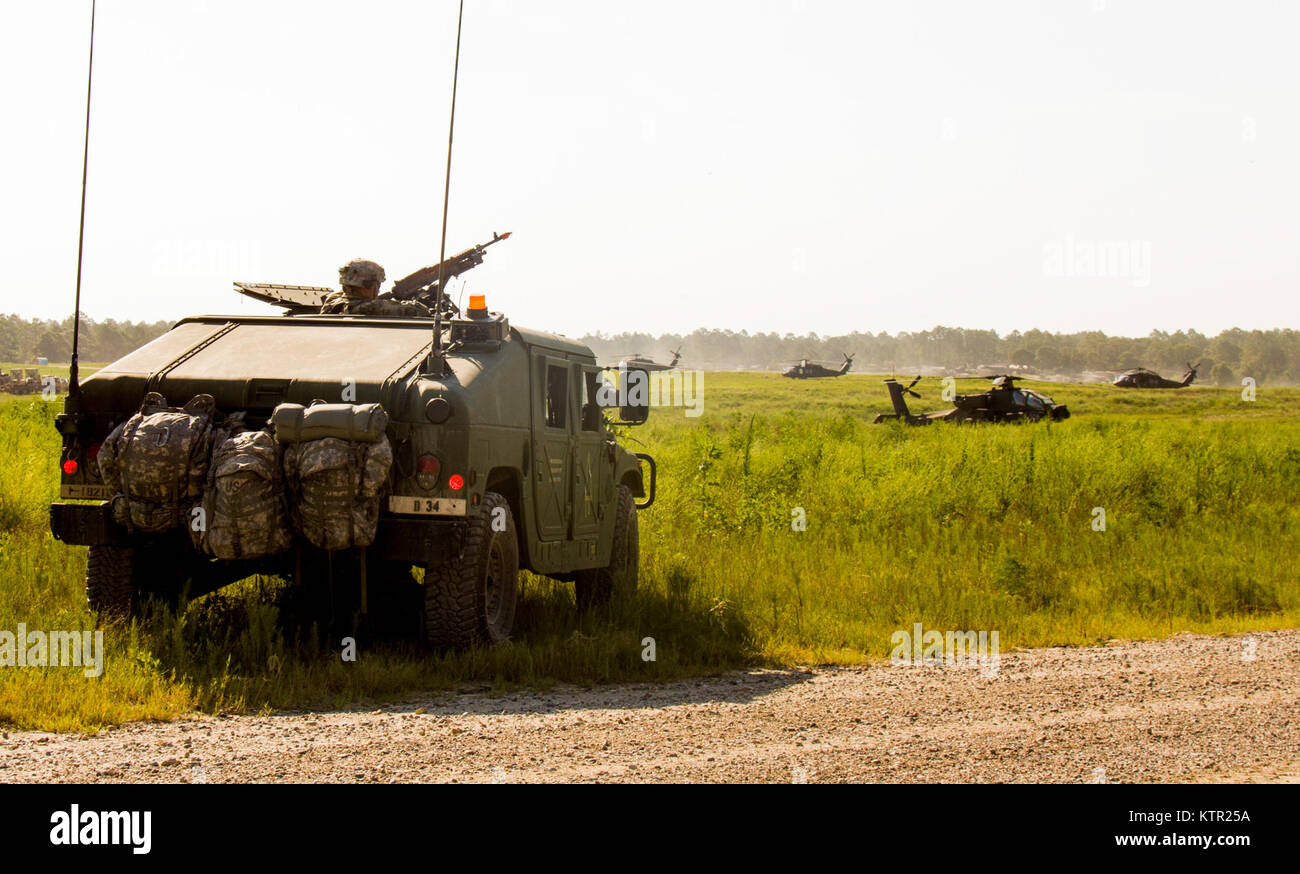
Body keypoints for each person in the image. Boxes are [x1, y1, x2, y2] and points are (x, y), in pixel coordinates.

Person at [321, 259, 432, 317]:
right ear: (369, 285)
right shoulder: (370, 307)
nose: (378, 288)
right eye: (377, 284)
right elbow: (420, 310)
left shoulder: (332, 302)